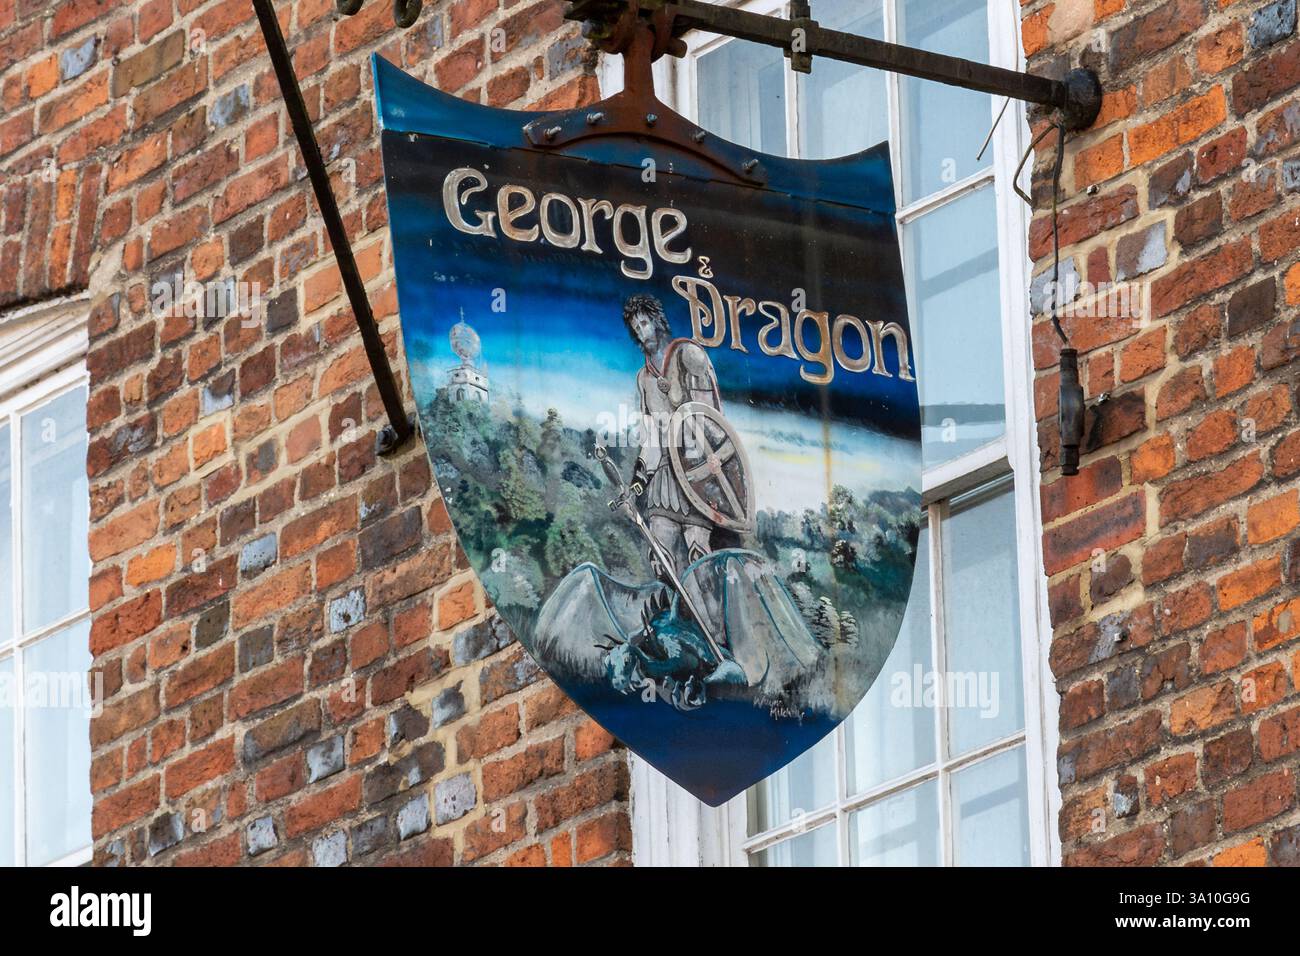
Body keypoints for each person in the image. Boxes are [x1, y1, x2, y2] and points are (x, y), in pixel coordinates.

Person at [623, 293, 729, 581]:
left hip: (696, 472)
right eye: (635, 329)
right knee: (661, 562)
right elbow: (651, 439)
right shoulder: (643, 379)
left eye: (644, 323)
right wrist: (639, 480)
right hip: (665, 481)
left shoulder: (688, 355)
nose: (641, 332)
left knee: (700, 559)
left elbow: (710, 423)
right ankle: (675, 620)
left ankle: (712, 621)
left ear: (657, 321)